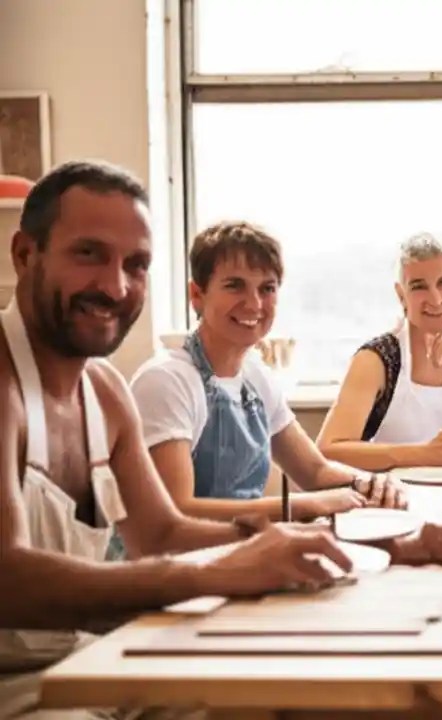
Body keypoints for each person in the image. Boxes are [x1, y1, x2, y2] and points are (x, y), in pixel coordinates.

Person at [0, 161, 355, 719]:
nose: (114, 287)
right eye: (88, 254)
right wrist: (218, 570)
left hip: (85, 660)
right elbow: (9, 580)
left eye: (135, 265)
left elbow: (161, 532)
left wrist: (302, 543)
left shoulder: (105, 391)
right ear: (25, 254)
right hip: (19, 690)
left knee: (285, 698)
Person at [128, 221, 406, 525]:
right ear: (197, 294)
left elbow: (315, 471)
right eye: (234, 285)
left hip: (244, 544)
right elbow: (178, 513)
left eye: (267, 288)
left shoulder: (256, 375)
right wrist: (305, 506)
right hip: (182, 554)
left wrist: (369, 483)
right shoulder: (166, 381)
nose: (254, 304)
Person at [317, 233, 442, 470]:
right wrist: (424, 454)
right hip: (396, 493)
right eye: (419, 287)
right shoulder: (377, 359)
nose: (436, 299)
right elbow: (328, 450)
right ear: (401, 295)